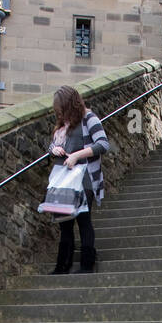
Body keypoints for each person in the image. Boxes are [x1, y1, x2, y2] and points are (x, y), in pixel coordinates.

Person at [47, 86, 109, 274]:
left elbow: (103, 144)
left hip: (84, 179)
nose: (60, 114)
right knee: (64, 223)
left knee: (83, 221)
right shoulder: (63, 123)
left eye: (62, 109)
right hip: (63, 180)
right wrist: (53, 149)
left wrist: (76, 156)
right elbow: (54, 144)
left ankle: (86, 265)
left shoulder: (88, 118)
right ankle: (62, 266)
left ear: (70, 104)